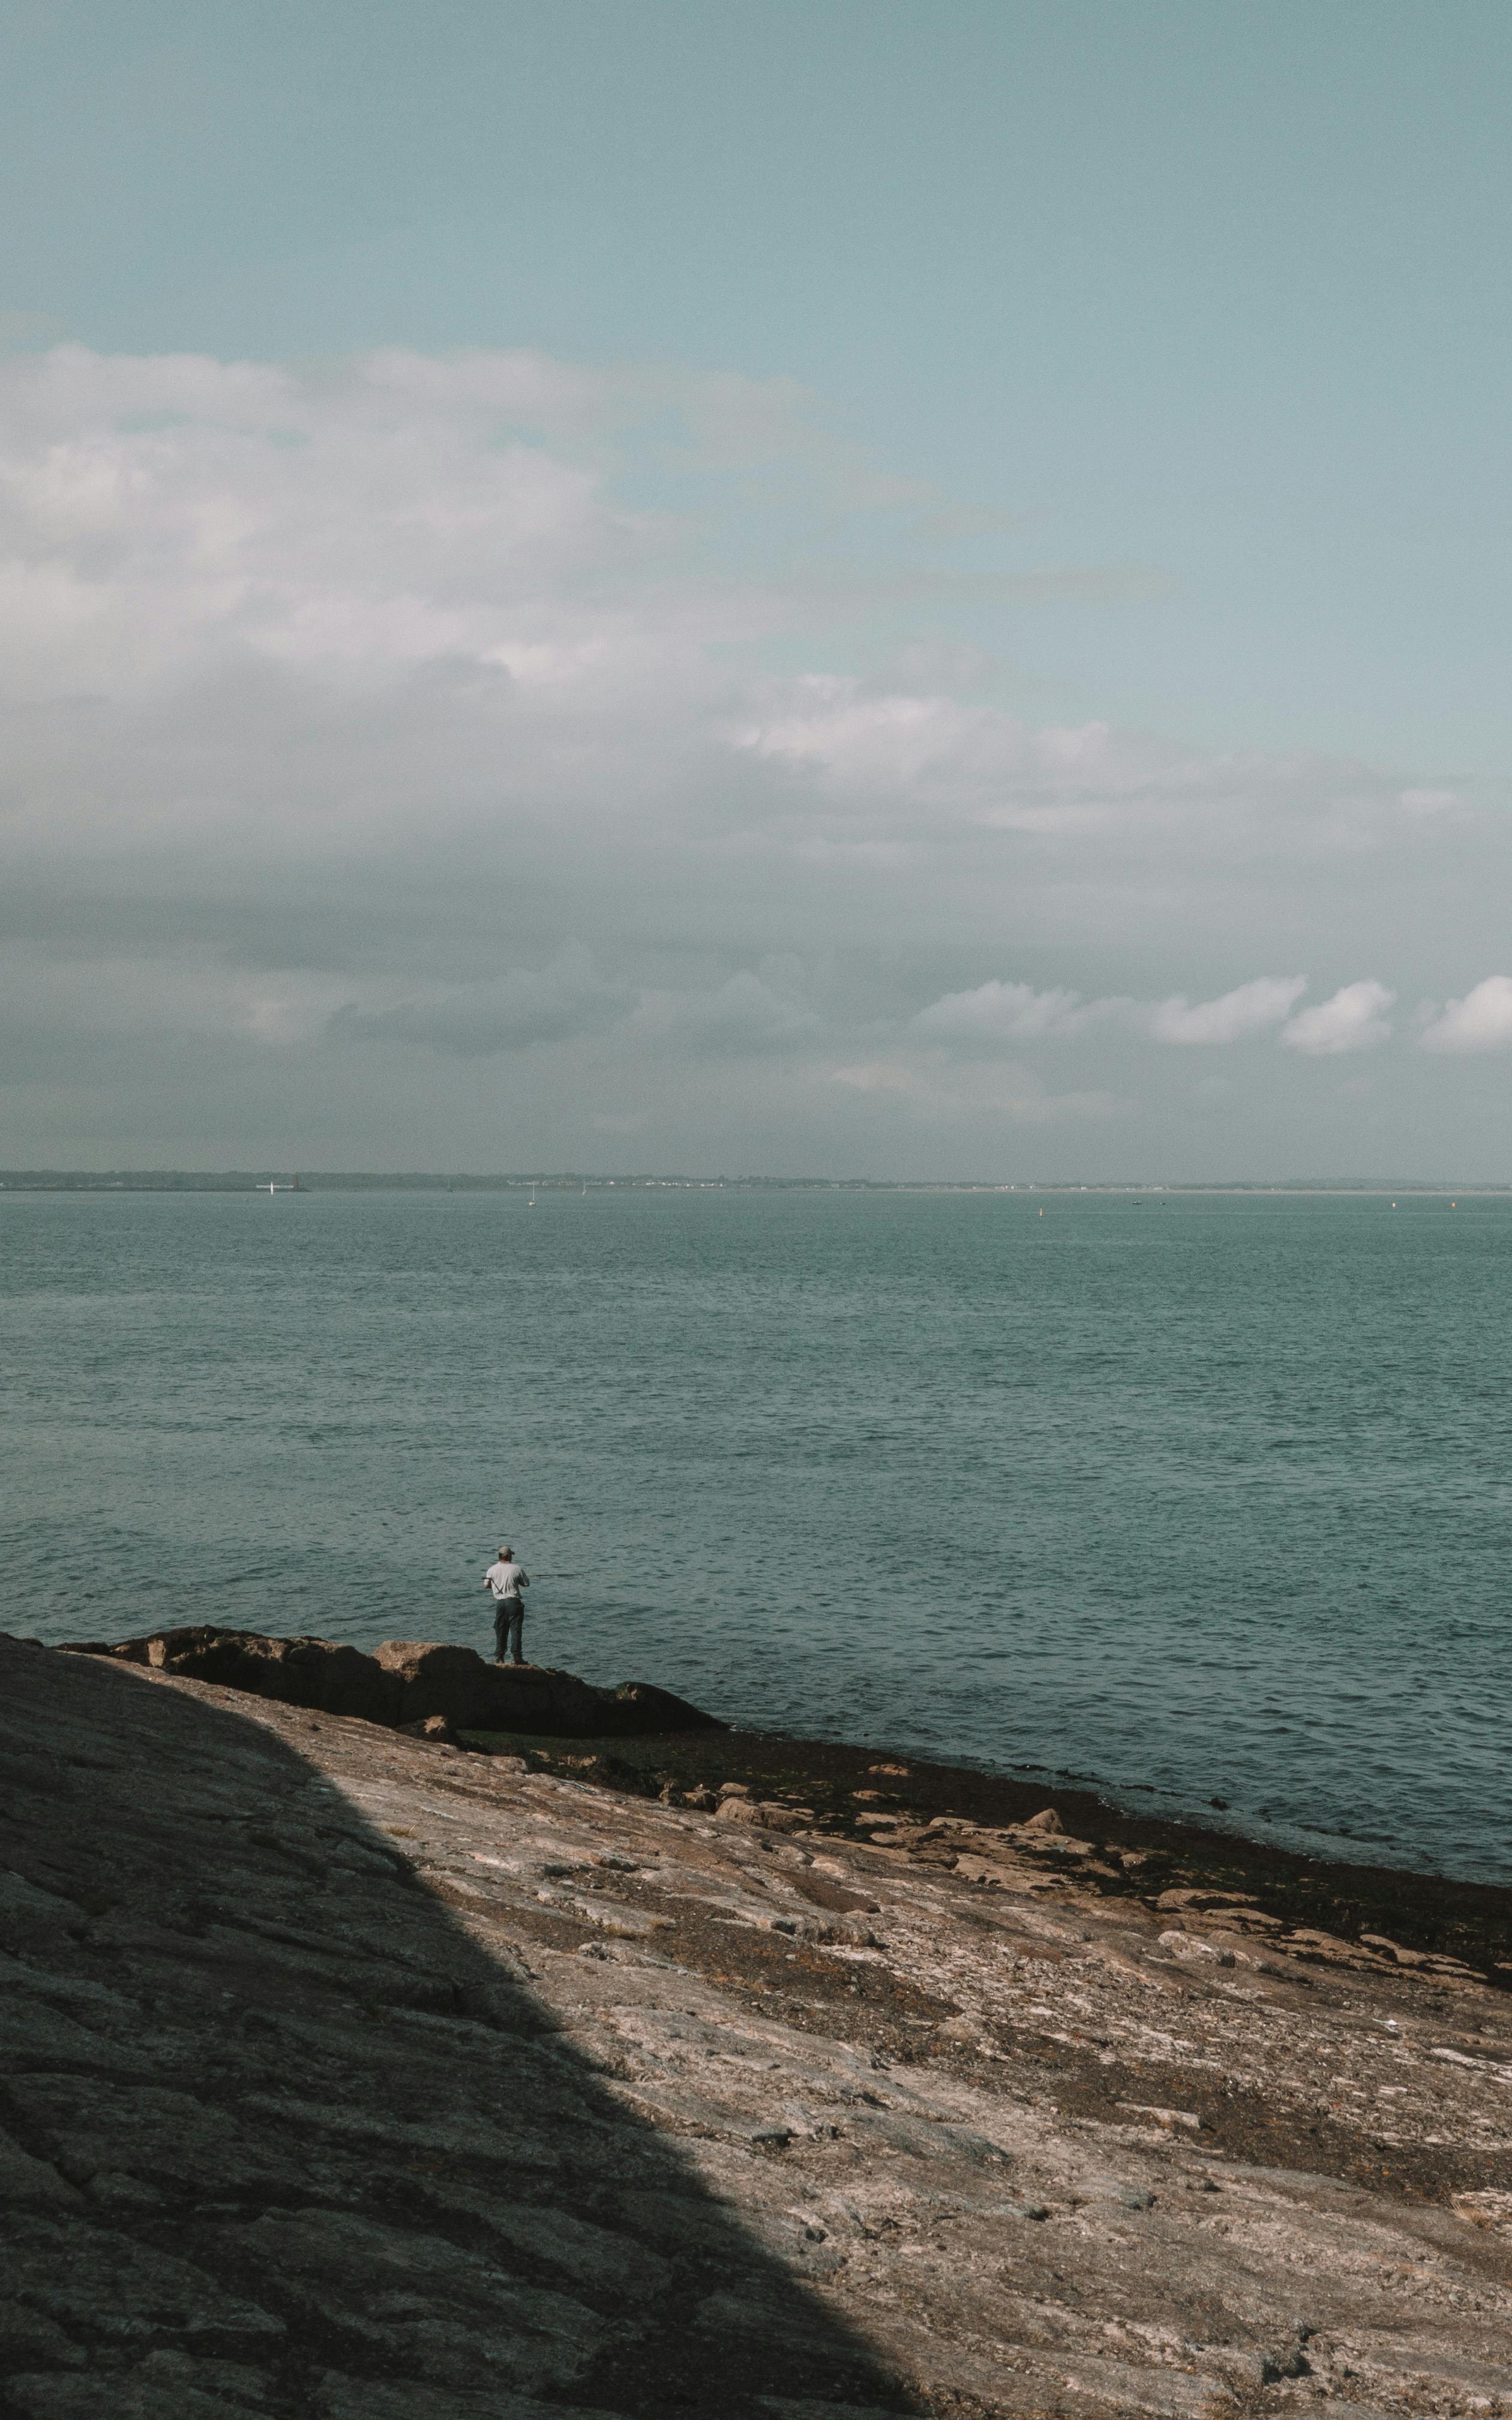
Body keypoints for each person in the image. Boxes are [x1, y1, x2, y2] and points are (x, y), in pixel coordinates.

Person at [482, 1546, 530, 1666]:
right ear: (508, 1556)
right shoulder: (516, 1569)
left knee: (501, 1629)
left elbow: (487, 1586)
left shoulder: (492, 1570)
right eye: (511, 1555)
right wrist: (516, 1581)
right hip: (514, 1603)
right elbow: (526, 1584)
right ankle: (517, 1657)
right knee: (515, 1630)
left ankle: (499, 1657)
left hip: (500, 1604)